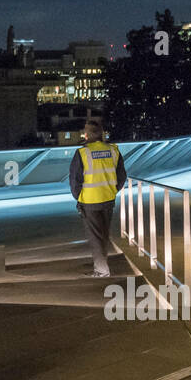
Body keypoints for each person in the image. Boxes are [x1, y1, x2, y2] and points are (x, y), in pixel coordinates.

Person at [68, 119, 127, 278]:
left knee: (95, 237)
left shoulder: (82, 153)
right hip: (108, 199)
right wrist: (112, 190)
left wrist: (79, 197)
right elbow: (122, 176)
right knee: (104, 234)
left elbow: (75, 180)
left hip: (89, 202)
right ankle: (102, 266)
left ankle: (101, 270)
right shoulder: (113, 151)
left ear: (86, 135)